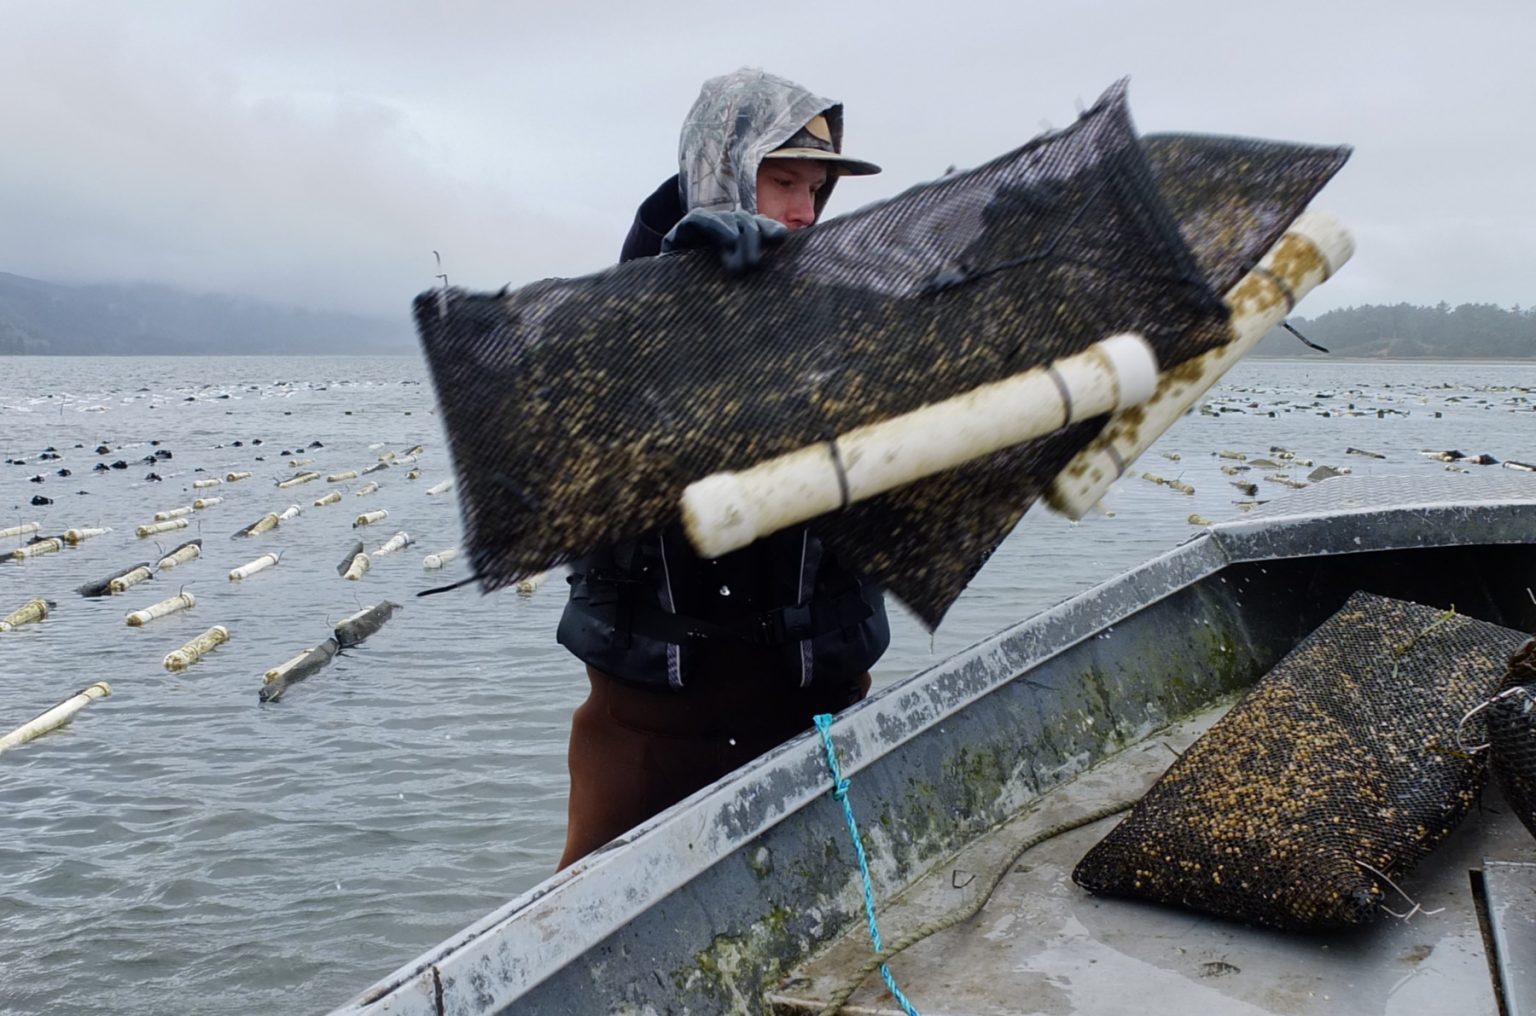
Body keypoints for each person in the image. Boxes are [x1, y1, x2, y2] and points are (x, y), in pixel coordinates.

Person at [555, 68, 891, 869]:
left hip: (823, 709)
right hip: (652, 727)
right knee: (594, 922)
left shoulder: (845, 317)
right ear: (721, 170)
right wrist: (672, 300)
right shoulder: (605, 325)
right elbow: (574, 473)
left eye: (816, 188)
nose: (805, 211)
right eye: (782, 182)